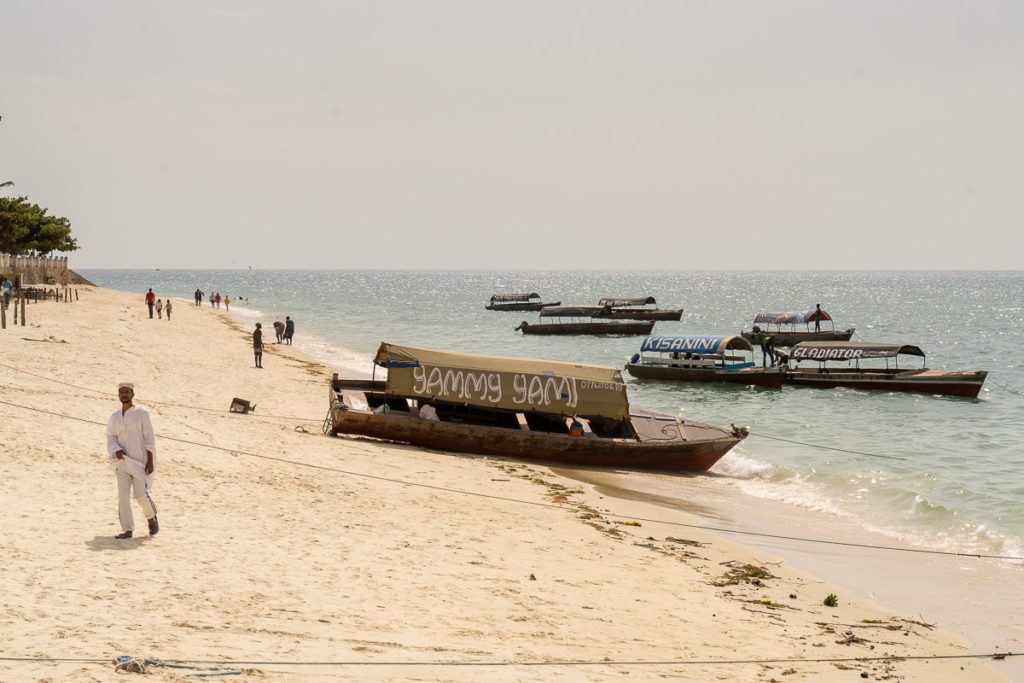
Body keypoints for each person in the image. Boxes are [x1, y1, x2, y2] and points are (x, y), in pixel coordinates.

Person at [106, 382, 159, 539]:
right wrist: (116, 450)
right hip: (122, 462)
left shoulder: (142, 413)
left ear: (133, 394)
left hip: (139, 461)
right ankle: (128, 530)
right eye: (121, 392)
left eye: (127, 392)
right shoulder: (115, 416)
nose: (124, 394)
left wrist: (150, 460)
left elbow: (149, 437)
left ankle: (151, 519)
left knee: (140, 495)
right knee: (123, 496)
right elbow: (111, 435)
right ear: (118, 395)